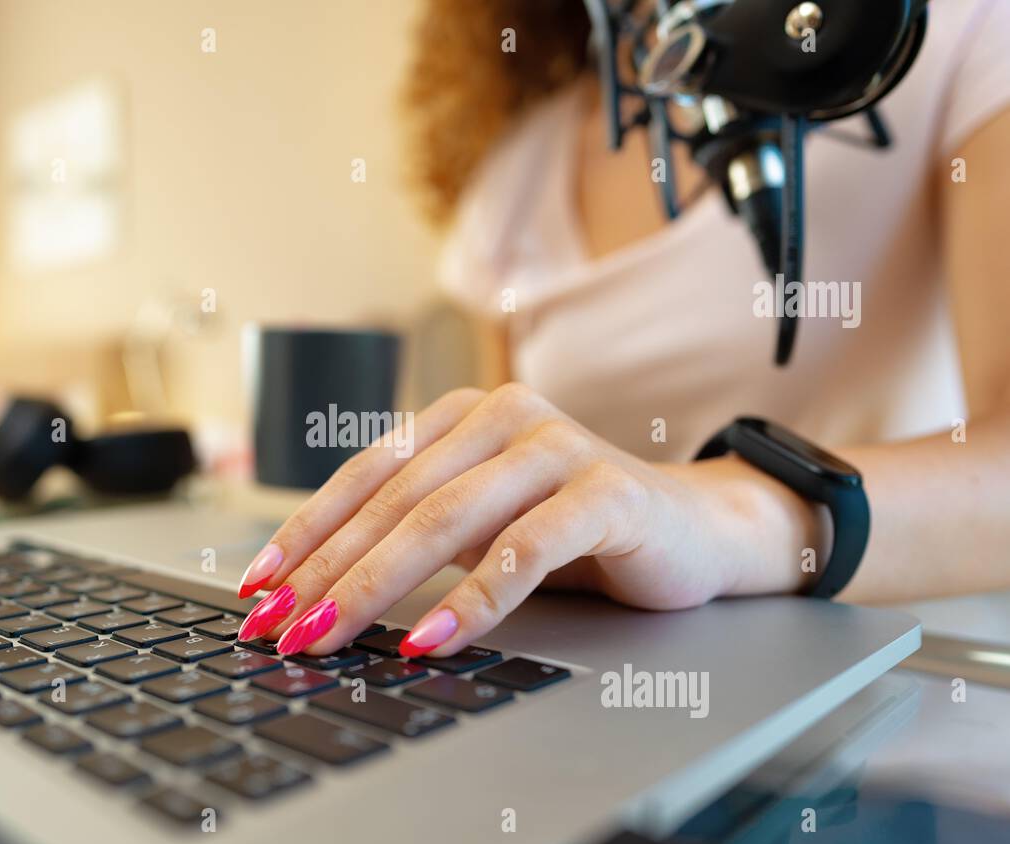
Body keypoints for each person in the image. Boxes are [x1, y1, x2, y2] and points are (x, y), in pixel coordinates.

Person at [236, 0, 1010, 660]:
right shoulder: (515, 171)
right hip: (581, 713)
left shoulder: (965, 35)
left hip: (897, 723)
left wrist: (716, 515)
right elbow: (513, 491)